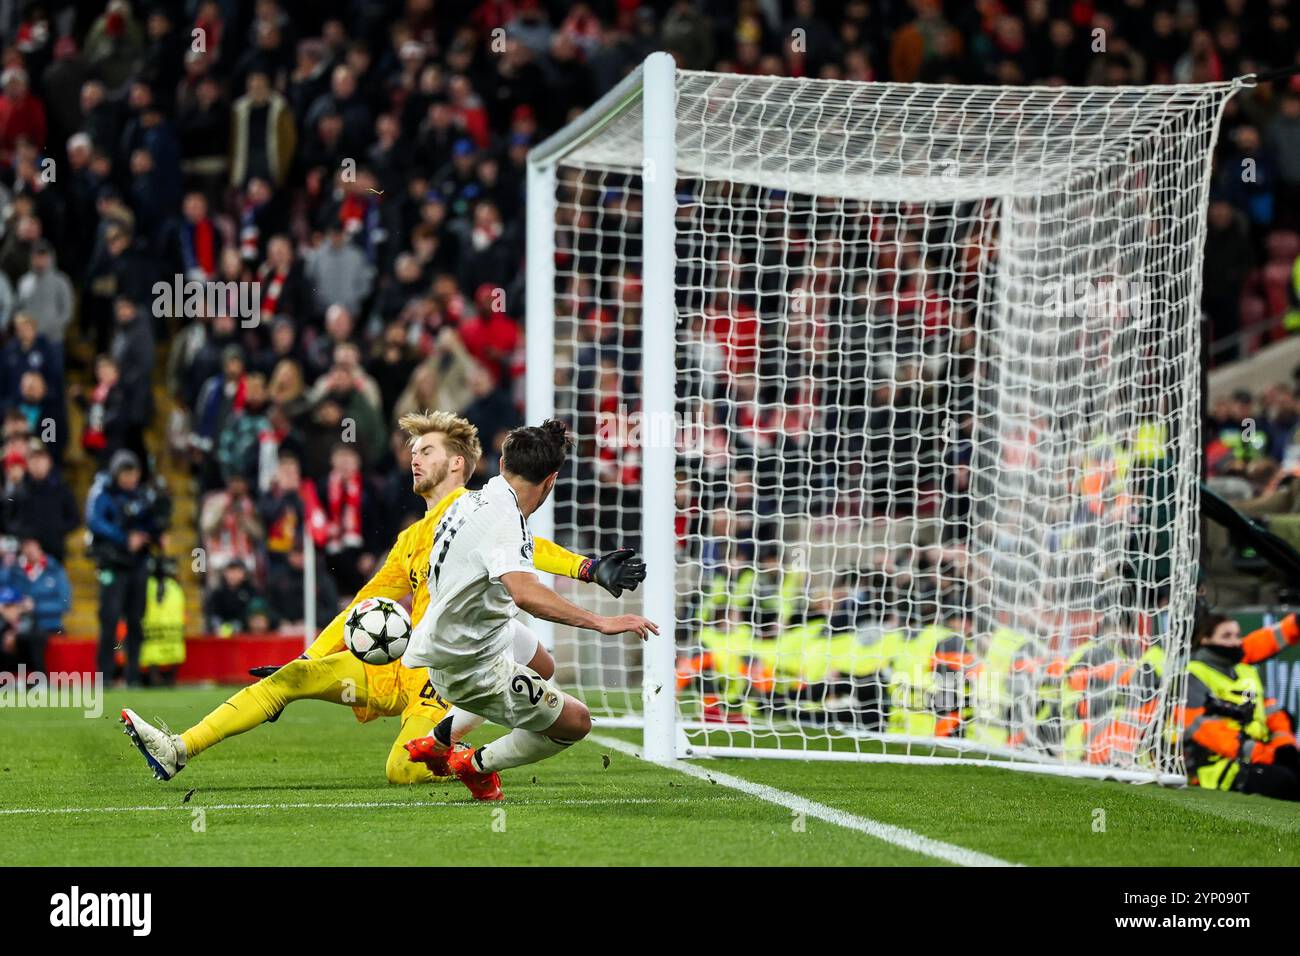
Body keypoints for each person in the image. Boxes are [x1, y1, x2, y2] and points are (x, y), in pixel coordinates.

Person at [120, 411, 645, 784]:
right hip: (399, 662)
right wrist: (311, 653)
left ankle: (458, 742)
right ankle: (177, 750)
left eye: (427, 450)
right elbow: (361, 606)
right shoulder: (412, 538)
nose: (414, 459)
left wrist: (587, 567)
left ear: (459, 463)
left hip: (439, 680)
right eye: (412, 451)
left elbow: (528, 553)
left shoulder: (475, 507)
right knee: (294, 677)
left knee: (401, 771)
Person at [404, 420, 657, 801]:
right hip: (468, 664)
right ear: (552, 480)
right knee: (576, 722)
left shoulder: (480, 496)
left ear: (503, 463)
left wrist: (585, 568)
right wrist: (601, 622)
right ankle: (475, 766)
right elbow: (526, 595)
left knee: (542, 665)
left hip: (449, 631)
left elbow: (512, 548)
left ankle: (439, 739)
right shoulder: (506, 522)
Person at [1182, 610, 1299, 800]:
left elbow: (1272, 713)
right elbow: (1209, 732)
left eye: (1237, 635)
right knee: (1282, 781)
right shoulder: (1191, 675)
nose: (1235, 642)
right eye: (1226, 636)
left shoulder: (1246, 672)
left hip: (1257, 755)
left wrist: (1284, 746)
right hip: (1215, 767)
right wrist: (1267, 755)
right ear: (1205, 639)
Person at [86, 449, 162, 686]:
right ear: (117, 473)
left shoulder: (143, 495)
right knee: (109, 620)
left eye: (134, 473)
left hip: (138, 565)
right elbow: (95, 522)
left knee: (136, 621)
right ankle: (105, 676)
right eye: (126, 473)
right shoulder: (103, 493)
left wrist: (152, 535)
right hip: (113, 565)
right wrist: (124, 538)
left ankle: (132, 676)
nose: (130, 478)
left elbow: (153, 522)